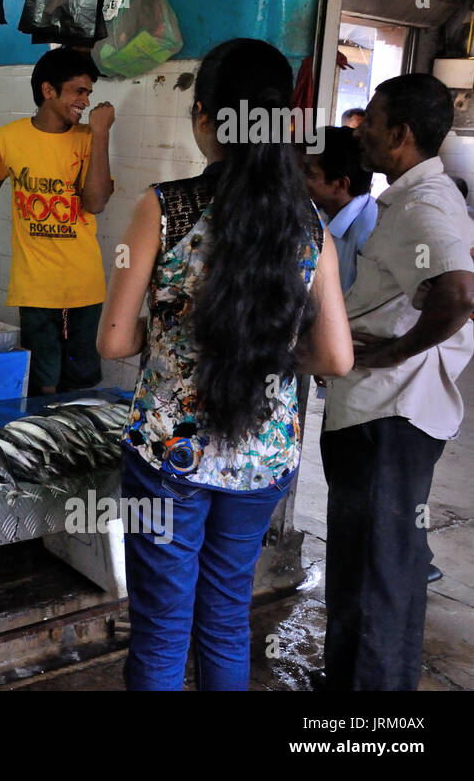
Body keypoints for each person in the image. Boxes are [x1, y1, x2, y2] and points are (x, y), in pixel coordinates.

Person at [97, 38, 353, 691]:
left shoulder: (165, 207)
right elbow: (335, 356)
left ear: (206, 118)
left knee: (160, 632)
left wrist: (177, 338)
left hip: (169, 458)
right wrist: (267, 347)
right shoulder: (310, 224)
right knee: (225, 619)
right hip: (261, 459)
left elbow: (114, 342)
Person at [320, 73, 474, 691]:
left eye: (373, 121)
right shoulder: (411, 198)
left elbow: (459, 292)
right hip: (380, 411)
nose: (362, 133)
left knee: (377, 567)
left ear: (402, 135)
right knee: (377, 561)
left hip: (391, 413)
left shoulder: (424, 204)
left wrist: (395, 353)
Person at [0, 47, 114, 395]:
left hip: (82, 286)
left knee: (81, 383)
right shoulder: (10, 137)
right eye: (79, 91)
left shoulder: (89, 139)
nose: (86, 102)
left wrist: (101, 135)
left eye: (89, 93)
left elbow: (96, 202)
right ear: (48, 91)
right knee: (43, 380)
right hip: (34, 285)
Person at [301, 126, 378, 291]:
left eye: (309, 173)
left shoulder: (371, 234)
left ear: (340, 185)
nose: (301, 180)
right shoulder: (321, 212)